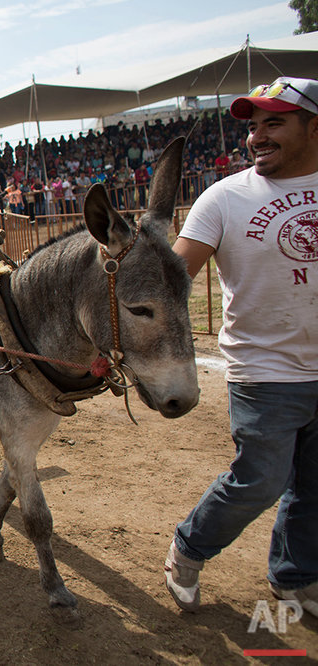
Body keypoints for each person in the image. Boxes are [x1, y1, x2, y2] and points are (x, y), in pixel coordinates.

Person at [165, 77, 318, 616]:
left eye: (274, 122)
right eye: (254, 127)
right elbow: (170, 283)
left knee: (314, 488)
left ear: (314, 126)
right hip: (266, 370)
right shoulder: (224, 198)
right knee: (260, 480)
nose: (257, 137)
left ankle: (295, 578)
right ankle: (189, 548)